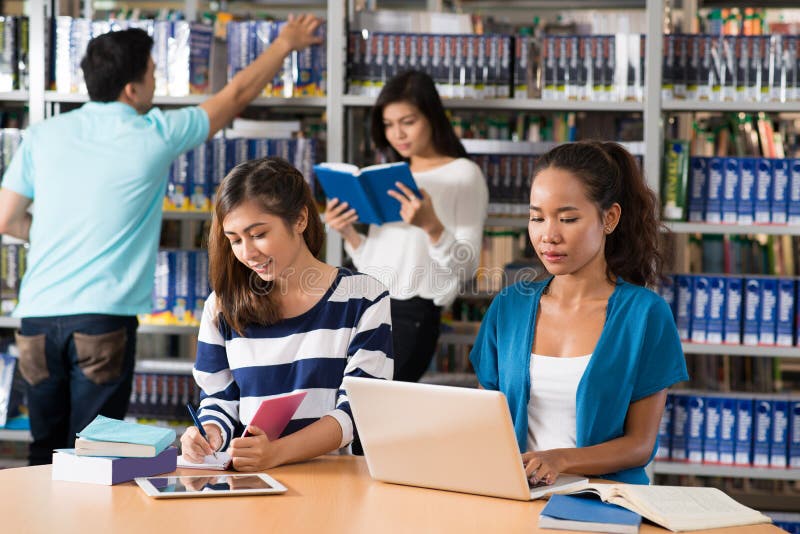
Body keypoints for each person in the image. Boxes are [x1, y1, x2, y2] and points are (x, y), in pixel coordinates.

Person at [0, 15, 322, 465]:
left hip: (35, 317)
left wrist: (59, 235)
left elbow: (6, 219)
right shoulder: (153, 133)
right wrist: (286, 42)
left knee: (42, 449)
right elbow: (237, 96)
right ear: (132, 89)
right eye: (152, 73)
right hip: (101, 318)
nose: (154, 83)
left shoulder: (40, 135)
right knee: (94, 453)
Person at [470, 141, 689, 485]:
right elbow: (485, 423)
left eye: (568, 218)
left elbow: (640, 445)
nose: (548, 236)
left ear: (609, 218)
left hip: (604, 500)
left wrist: (560, 460)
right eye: (537, 217)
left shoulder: (645, 315)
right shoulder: (508, 307)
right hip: (515, 496)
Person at [180, 157, 393, 470]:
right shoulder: (221, 306)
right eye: (235, 240)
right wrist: (209, 434)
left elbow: (360, 411)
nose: (247, 253)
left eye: (258, 234)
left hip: (332, 481)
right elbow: (219, 400)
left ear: (300, 220)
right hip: (251, 481)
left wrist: (277, 452)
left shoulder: (363, 297)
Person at [324, 70, 488, 383]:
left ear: (432, 117)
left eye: (408, 122)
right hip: (367, 306)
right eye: (388, 124)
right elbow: (374, 264)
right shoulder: (388, 175)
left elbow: (467, 267)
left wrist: (432, 227)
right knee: (349, 410)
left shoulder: (463, 175)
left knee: (373, 410)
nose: (397, 134)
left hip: (413, 315)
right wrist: (348, 233)